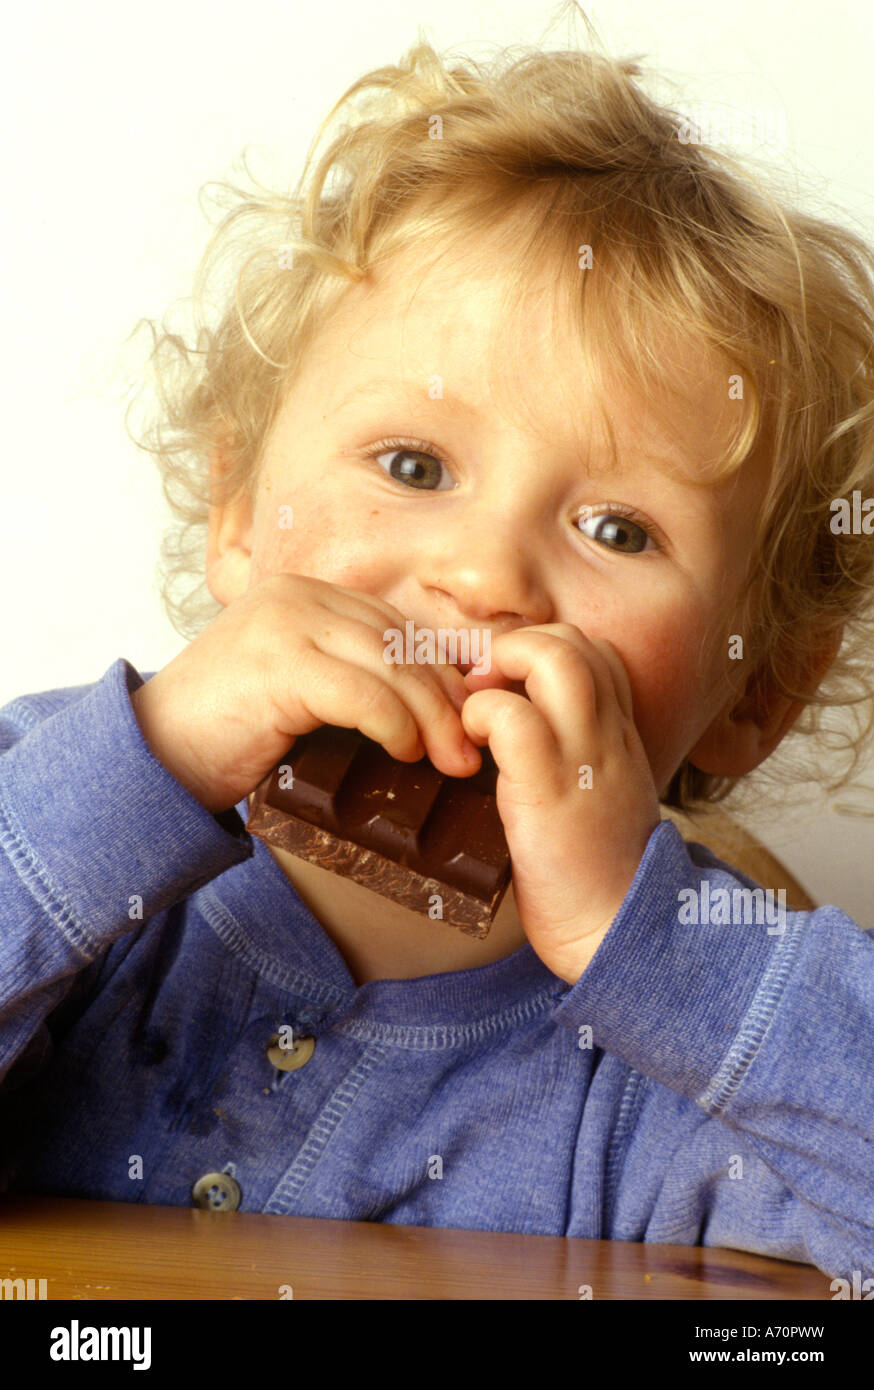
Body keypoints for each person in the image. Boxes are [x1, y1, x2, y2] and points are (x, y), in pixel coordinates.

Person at [1, 35, 873, 1284]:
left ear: (758, 694)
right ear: (239, 507)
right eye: (413, 466)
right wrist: (154, 762)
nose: (485, 576)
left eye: (616, 530)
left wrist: (662, 947)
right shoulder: (69, 824)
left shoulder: (671, 1099)